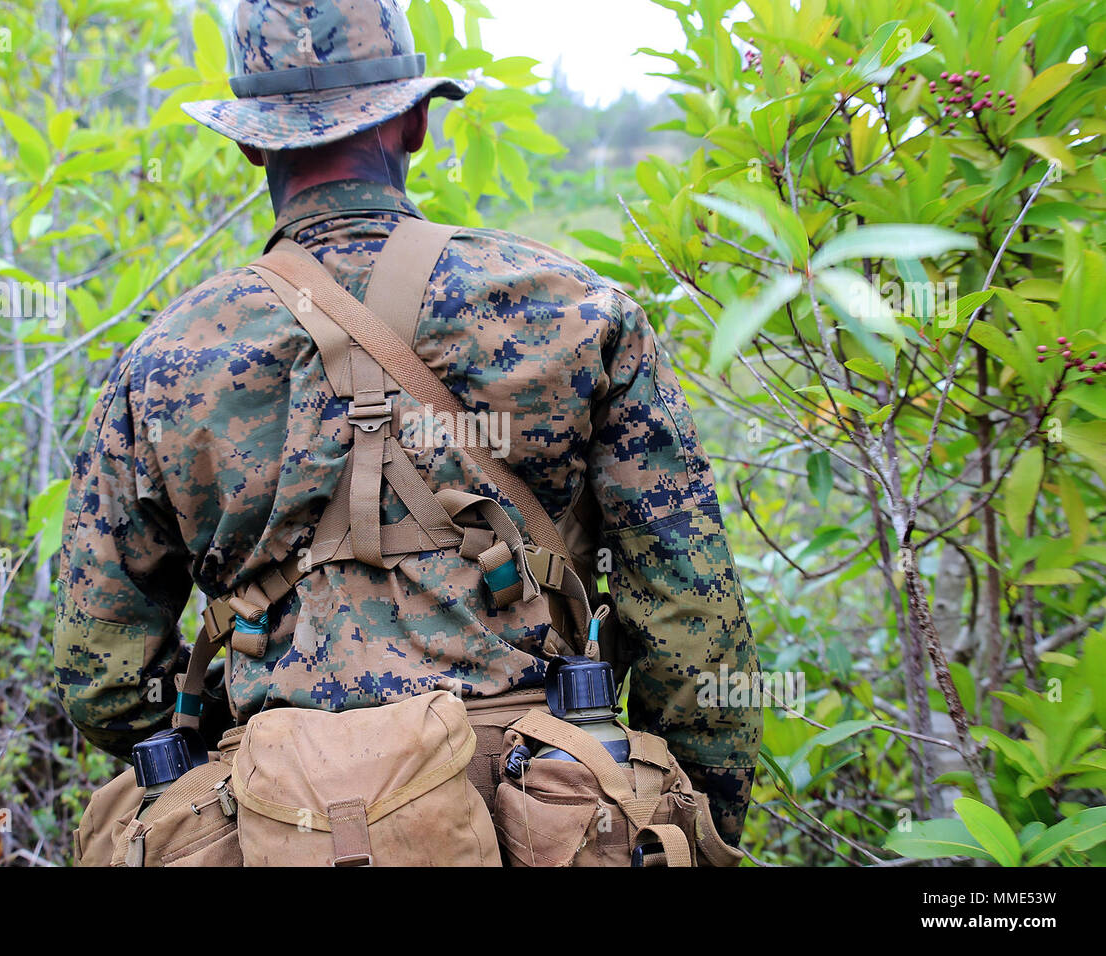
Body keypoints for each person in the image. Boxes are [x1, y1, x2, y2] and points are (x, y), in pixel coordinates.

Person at [53, 0, 761, 845]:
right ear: (417, 120)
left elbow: (102, 674)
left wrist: (254, 773)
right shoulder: (576, 311)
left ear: (248, 141)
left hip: (289, 831)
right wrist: (693, 828)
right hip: (543, 818)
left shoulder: (162, 360)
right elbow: (693, 632)